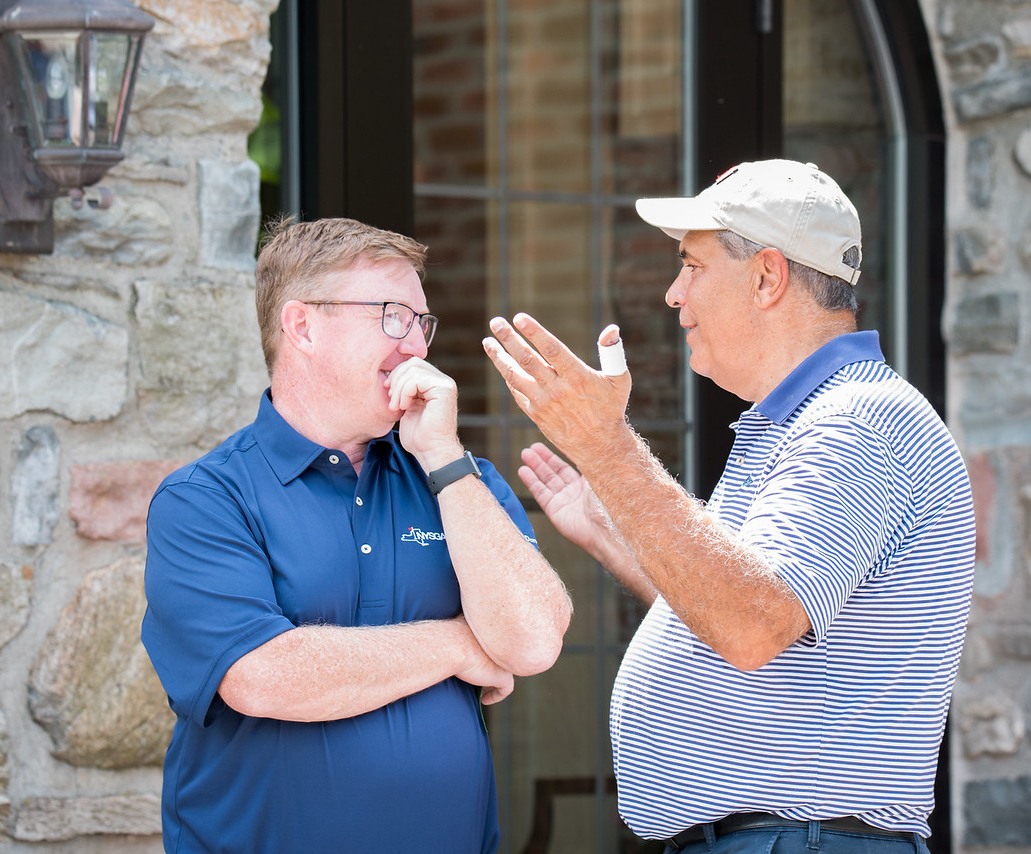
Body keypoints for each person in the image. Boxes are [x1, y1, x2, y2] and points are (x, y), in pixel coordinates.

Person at [482, 160, 974, 853]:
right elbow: (739, 612)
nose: (673, 294)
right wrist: (612, 529)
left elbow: (750, 624)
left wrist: (609, 450)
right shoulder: (811, 421)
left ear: (767, 277)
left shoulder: (855, 423)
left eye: (693, 266)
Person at [141, 216, 573, 853]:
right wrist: (461, 646)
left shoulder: (459, 481)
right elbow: (263, 676)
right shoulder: (205, 500)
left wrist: (446, 461)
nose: (416, 346)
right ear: (303, 326)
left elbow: (534, 641)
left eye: (421, 322)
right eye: (392, 316)